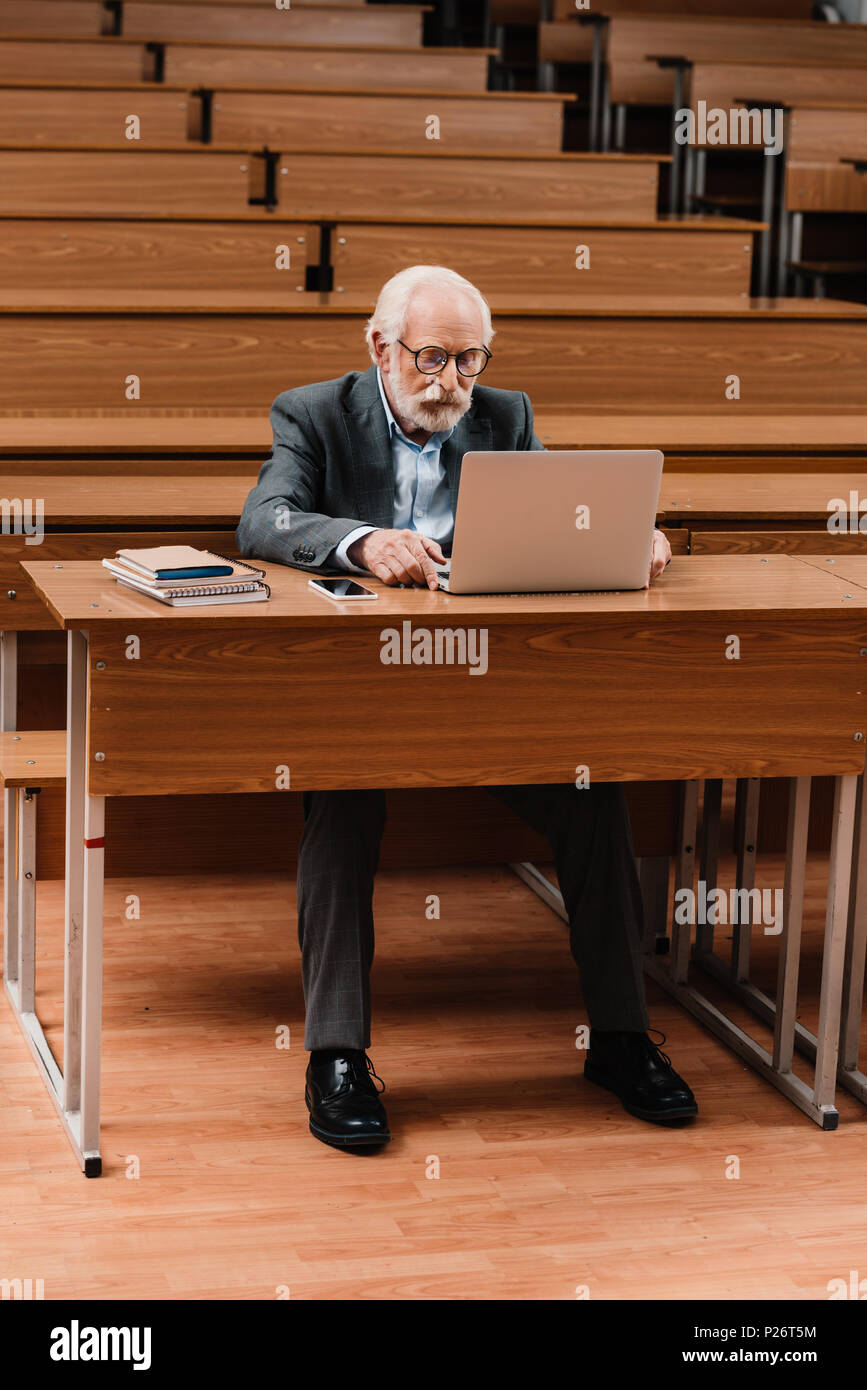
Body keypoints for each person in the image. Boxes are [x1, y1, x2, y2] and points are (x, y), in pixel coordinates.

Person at [237, 265, 696, 1149]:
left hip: (491, 694)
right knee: (337, 801)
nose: (449, 383)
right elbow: (264, 521)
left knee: (593, 790)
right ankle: (335, 1055)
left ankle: (621, 1039)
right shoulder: (313, 413)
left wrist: (632, 533)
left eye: (468, 361)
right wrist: (362, 541)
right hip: (365, 694)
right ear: (380, 347)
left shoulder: (505, 416)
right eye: (431, 358)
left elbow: (560, 514)